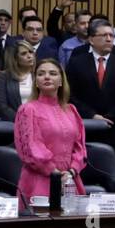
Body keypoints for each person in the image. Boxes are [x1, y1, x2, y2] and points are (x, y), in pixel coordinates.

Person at [67, 20, 115, 175]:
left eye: (111, 35)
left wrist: (108, 117)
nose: (109, 39)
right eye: (104, 35)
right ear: (91, 39)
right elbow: (70, 95)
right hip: (85, 129)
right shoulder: (77, 62)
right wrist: (92, 116)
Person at [14, 58, 87, 203]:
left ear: (61, 81)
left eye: (52, 73)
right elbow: (31, 148)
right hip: (39, 180)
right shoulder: (28, 109)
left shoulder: (71, 110)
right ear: (36, 82)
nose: (46, 77)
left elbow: (80, 147)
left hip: (70, 180)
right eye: (41, 74)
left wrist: (71, 172)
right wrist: (55, 174)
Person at [0, 41, 37, 121]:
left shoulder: (39, 75)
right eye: (24, 54)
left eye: (31, 52)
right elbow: (2, 105)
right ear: (16, 59)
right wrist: (21, 119)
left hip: (37, 122)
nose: (29, 56)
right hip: (14, 123)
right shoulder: (5, 76)